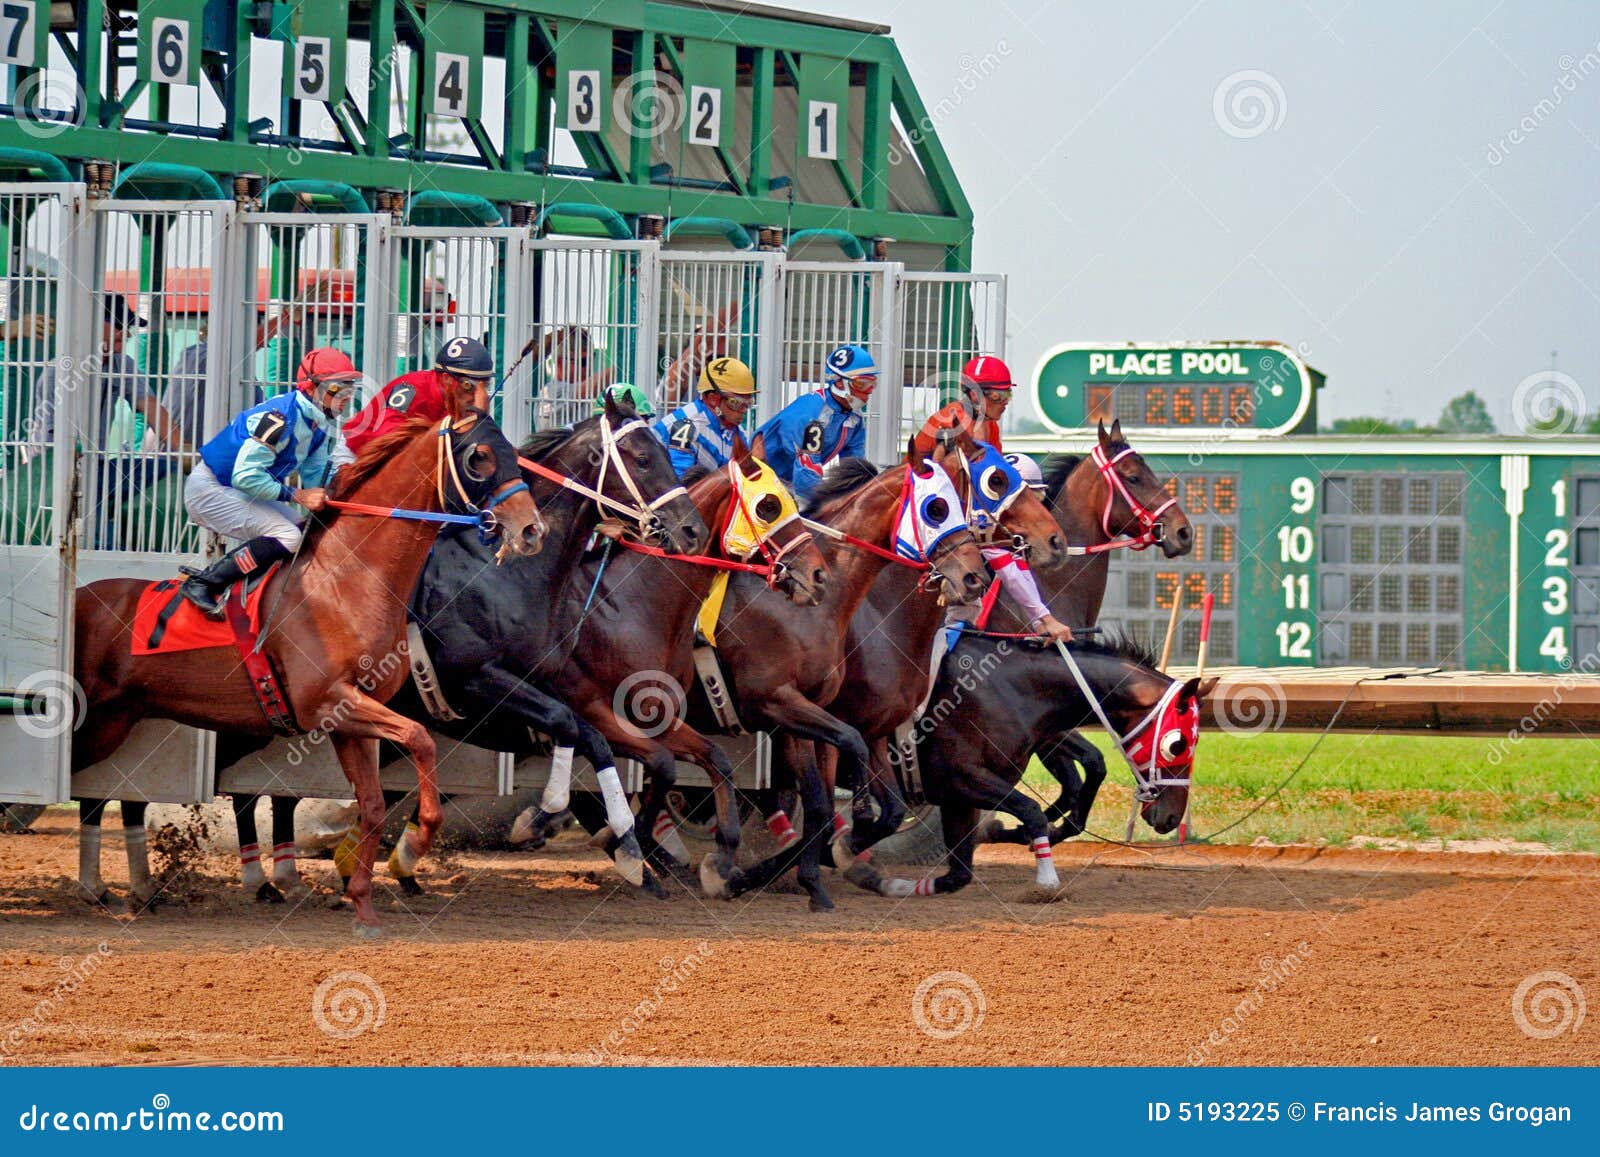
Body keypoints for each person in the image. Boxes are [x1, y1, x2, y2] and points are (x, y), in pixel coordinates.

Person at [179, 348, 360, 616]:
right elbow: (245, 476)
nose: (345, 398)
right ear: (312, 387)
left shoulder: (319, 424)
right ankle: (204, 582)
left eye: (349, 388)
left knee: (304, 529)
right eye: (337, 388)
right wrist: (298, 496)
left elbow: (317, 476)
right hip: (211, 489)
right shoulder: (278, 417)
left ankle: (258, 594)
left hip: (241, 491)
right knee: (287, 536)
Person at [750, 343, 872, 502]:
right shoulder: (813, 417)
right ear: (840, 383)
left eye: (872, 384)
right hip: (763, 482)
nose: (869, 391)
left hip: (791, 482)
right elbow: (806, 477)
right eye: (862, 384)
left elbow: (854, 470)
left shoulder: (855, 418)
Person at [342, 336, 493, 455]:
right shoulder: (410, 388)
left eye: (485, 386)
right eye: (469, 386)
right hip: (355, 452)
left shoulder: (460, 401)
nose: (475, 396)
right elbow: (386, 438)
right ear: (446, 379)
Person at [650, 356, 756, 477]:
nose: (744, 410)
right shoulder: (685, 425)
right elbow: (680, 484)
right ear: (713, 399)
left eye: (748, 403)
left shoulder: (735, 430)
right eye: (736, 402)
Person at [912, 353, 1015, 454]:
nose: (1006, 402)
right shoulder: (948, 423)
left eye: (1008, 394)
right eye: (998, 396)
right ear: (975, 395)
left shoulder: (991, 424)